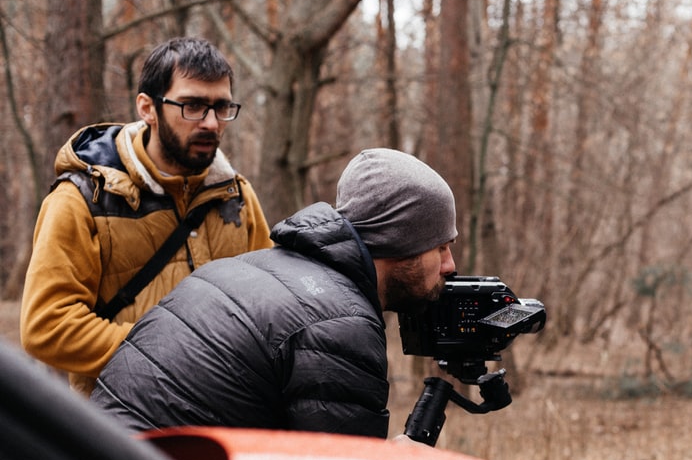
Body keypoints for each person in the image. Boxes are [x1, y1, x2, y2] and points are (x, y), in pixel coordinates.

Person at [90, 148, 457, 438]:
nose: (449, 265)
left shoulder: (246, 266)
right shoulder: (340, 325)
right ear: (399, 241)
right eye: (440, 246)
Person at [20, 37, 272, 396]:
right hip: (121, 429)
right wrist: (174, 353)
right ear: (147, 108)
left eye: (221, 107)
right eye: (193, 106)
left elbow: (267, 310)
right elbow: (47, 326)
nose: (212, 123)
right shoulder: (83, 199)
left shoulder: (237, 197)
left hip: (225, 422)